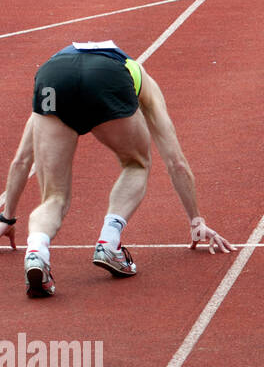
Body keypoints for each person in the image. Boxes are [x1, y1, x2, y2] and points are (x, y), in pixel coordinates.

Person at [1, 41, 232, 298]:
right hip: (107, 79)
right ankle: (109, 242)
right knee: (136, 164)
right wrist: (196, 221)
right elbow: (175, 160)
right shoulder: (136, 72)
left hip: (53, 77)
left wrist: (7, 218)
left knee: (54, 197)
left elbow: (22, 160)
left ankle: (37, 251)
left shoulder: (57, 67)